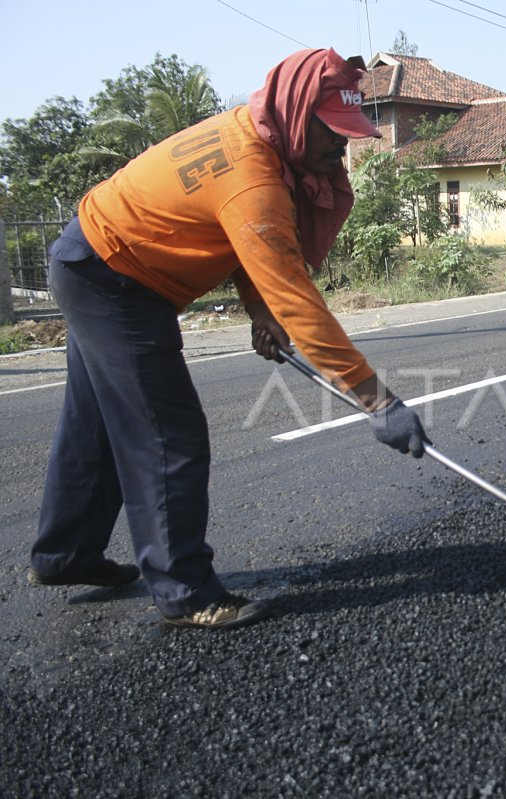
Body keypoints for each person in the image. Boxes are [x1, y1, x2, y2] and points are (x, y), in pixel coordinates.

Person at [28, 48, 428, 630]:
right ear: (297, 114)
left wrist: (260, 313)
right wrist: (378, 400)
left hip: (90, 259)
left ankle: (65, 555)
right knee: (168, 435)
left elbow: (241, 244)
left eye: (350, 130)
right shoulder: (254, 176)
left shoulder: (258, 137)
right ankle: (186, 591)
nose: (343, 145)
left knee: (94, 422)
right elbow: (297, 296)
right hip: (113, 277)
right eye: (334, 131)